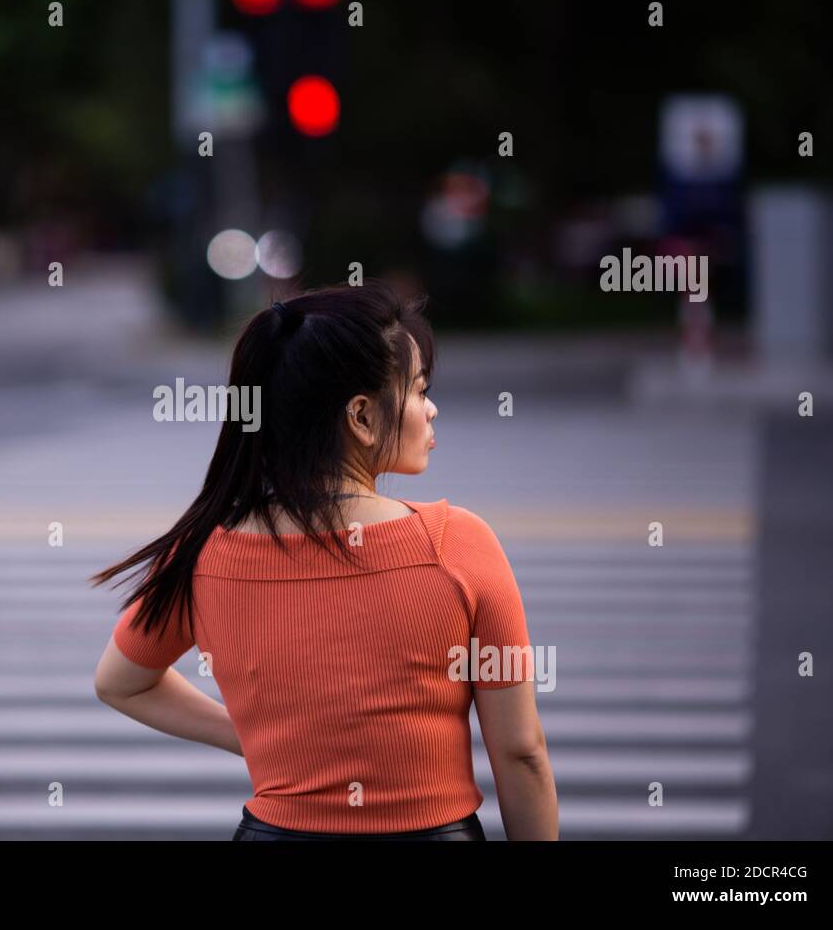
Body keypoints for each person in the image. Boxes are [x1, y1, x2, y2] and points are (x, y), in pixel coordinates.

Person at [91, 280, 558, 840]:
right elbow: (521, 753)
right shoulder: (456, 544)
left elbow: (120, 683)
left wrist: (252, 739)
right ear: (361, 416)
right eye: (418, 390)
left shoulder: (202, 553)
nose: (431, 409)